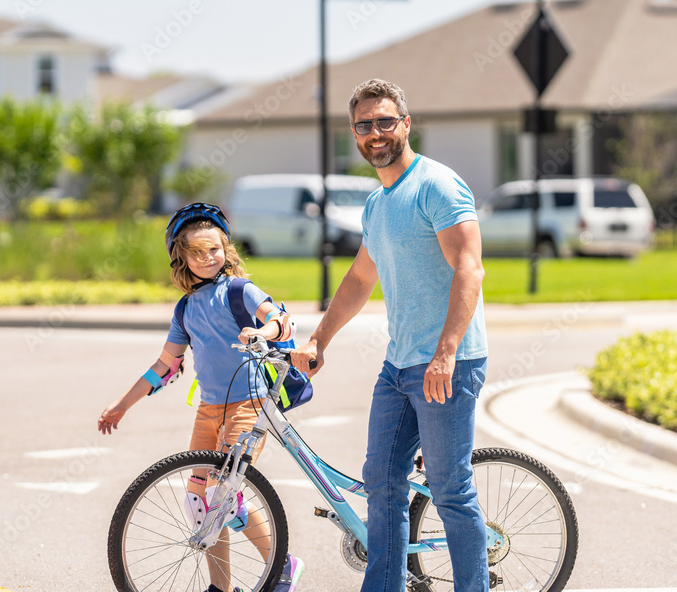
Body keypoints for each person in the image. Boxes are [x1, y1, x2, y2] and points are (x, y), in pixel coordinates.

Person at [292, 79, 489, 592]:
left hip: (449, 363)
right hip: (400, 364)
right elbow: (360, 279)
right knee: (381, 485)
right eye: (364, 125)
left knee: (449, 490)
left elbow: (469, 269)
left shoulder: (438, 185)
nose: (375, 133)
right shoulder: (378, 204)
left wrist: (445, 354)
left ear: (405, 124)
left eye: (384, 122)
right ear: (354, 133)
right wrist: (319, 340)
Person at [97, 203, 303, 592]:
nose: (208, 257)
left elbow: (281, 319)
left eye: (214, 249)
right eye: (197, 251)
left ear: (226, 249)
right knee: (200, 503)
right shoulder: (186, 308)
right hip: (210, 409)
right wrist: (122, 404)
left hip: (249, 403)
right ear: (181, 257)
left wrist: (264, 331)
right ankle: (220, 588)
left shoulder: (239, 290)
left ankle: (283, 565)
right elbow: (165, 365)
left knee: (222, 493)